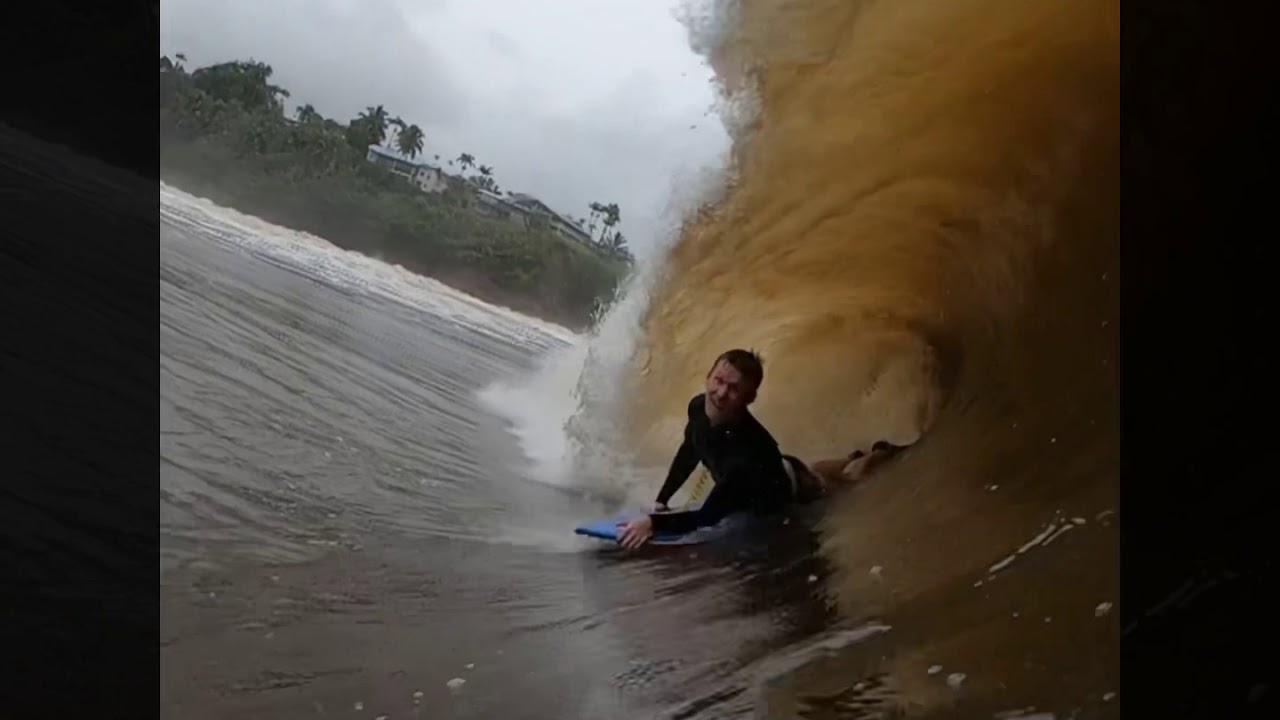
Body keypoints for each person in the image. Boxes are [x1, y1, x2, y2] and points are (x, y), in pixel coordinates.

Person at [616, 349, 909, 549]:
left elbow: (707, 518)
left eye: (734, 389)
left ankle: (878, 454)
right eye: (719, 380)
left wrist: (652, 524)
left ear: (749, 398)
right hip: (780, 466)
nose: (721, 393)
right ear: (708, 375)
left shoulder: (744, 456)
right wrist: (661, 501)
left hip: (796, 489)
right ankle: (850, 456)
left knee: (848, 479)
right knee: (816, 469)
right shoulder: (697, 407)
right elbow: (690, 452)